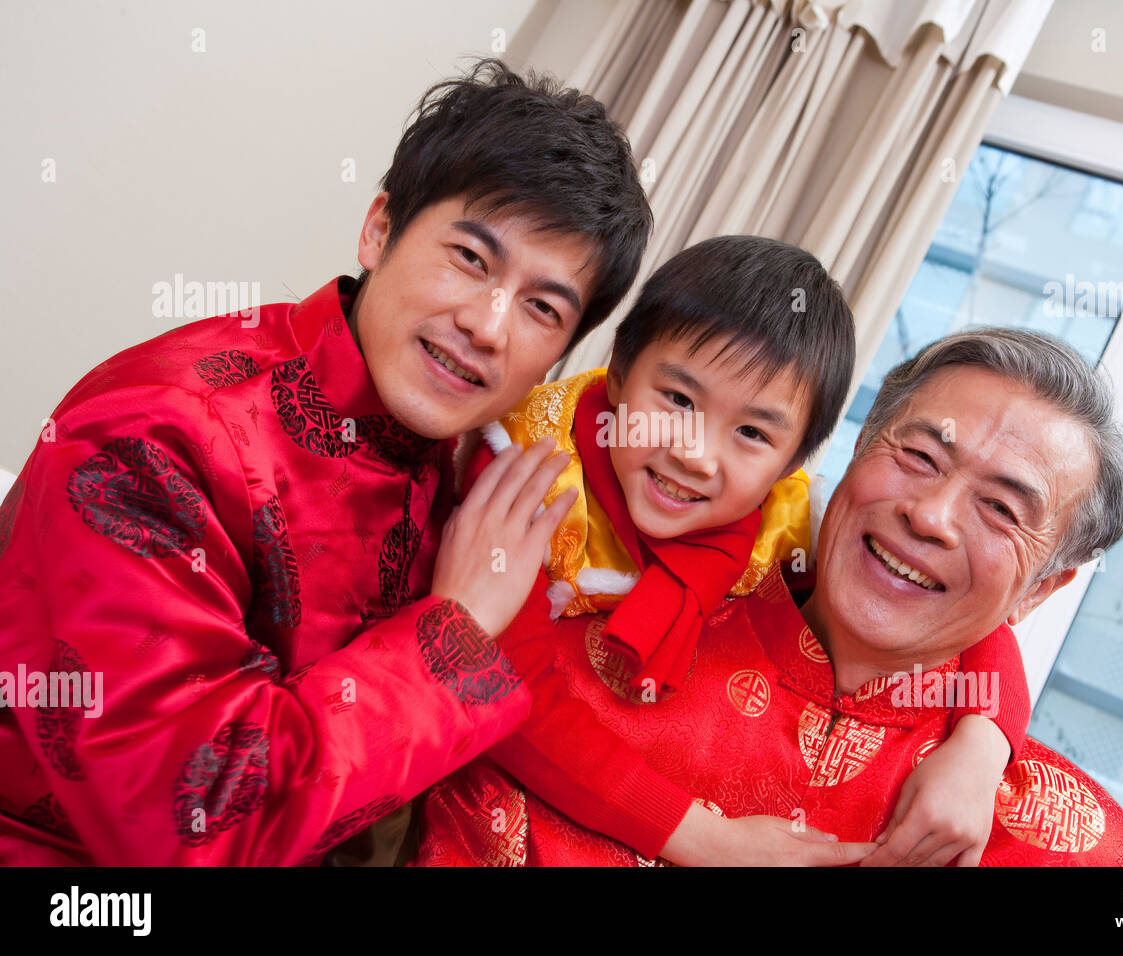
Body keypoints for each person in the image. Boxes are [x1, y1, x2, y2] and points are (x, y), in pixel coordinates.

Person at [0, 58, 653, 865]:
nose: (489, 326)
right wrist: (451, 631)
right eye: (472, 259)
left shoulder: (467, 470)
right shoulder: (158, 440)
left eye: (542, 307)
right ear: (379, 229)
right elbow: (193, 819)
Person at [417, 327, 1123, 866]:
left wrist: (984, 742)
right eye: (919, 457)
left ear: (1043, 588)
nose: (929, 516)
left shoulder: (1062, 841)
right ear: (853, 458)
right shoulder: (601, 638)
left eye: (1001, 508)